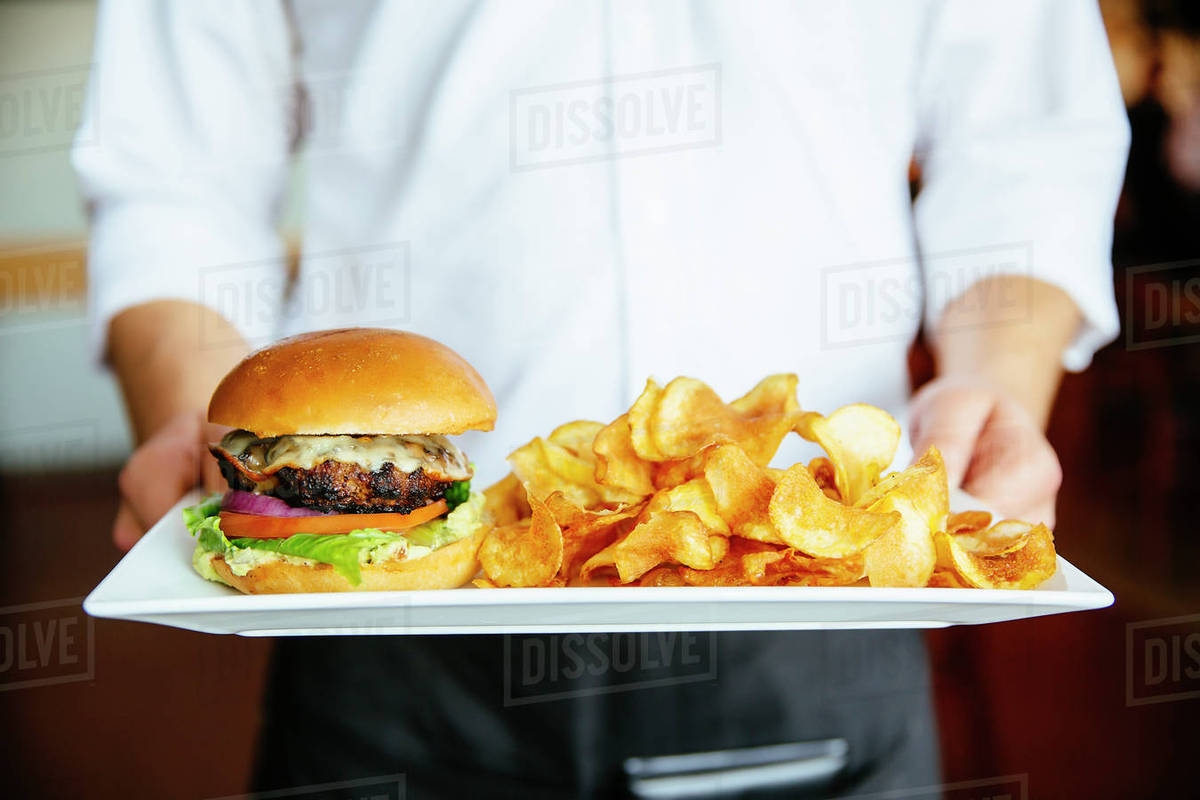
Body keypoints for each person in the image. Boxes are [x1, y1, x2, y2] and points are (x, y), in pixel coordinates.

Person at [74, 1, 1128, 797]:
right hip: (382, 654)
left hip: (814, 590)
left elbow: (1024, 143)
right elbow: (176, 172)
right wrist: (206, 426)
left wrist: (992, 383)